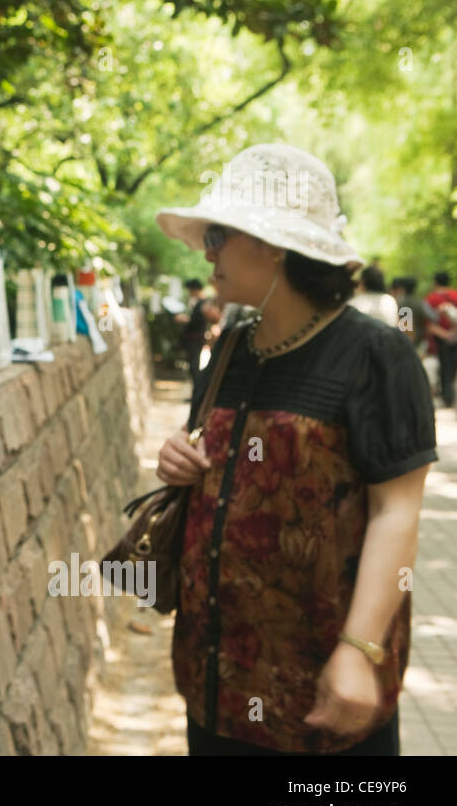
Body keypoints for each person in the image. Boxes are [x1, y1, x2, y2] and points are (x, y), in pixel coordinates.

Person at [154, 143, 435, 756]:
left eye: (220, 234)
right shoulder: (229, 345)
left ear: (273, 242)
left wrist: (359, 651)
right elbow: (211, 457)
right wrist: (177, 456)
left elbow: (398, 512)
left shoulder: (375, 356)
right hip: (214, 678)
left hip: (322, 687)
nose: (208, 251)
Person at [174, 279, 211, 398]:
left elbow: (197, 322)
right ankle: (196, 394)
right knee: (194, 367)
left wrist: (185, 319)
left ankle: (197, 395)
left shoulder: (203, 303)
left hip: (195, 340)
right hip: (196, 339)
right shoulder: (200, 302)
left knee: (195, 367)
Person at [426, 272, 457, 407]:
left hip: (441, 340)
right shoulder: (455, 295)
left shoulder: (430, 299)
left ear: (435, 282)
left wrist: (444, 335)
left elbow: (428, 324)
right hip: (454, 336)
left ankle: (447, 397)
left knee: (445, 368)